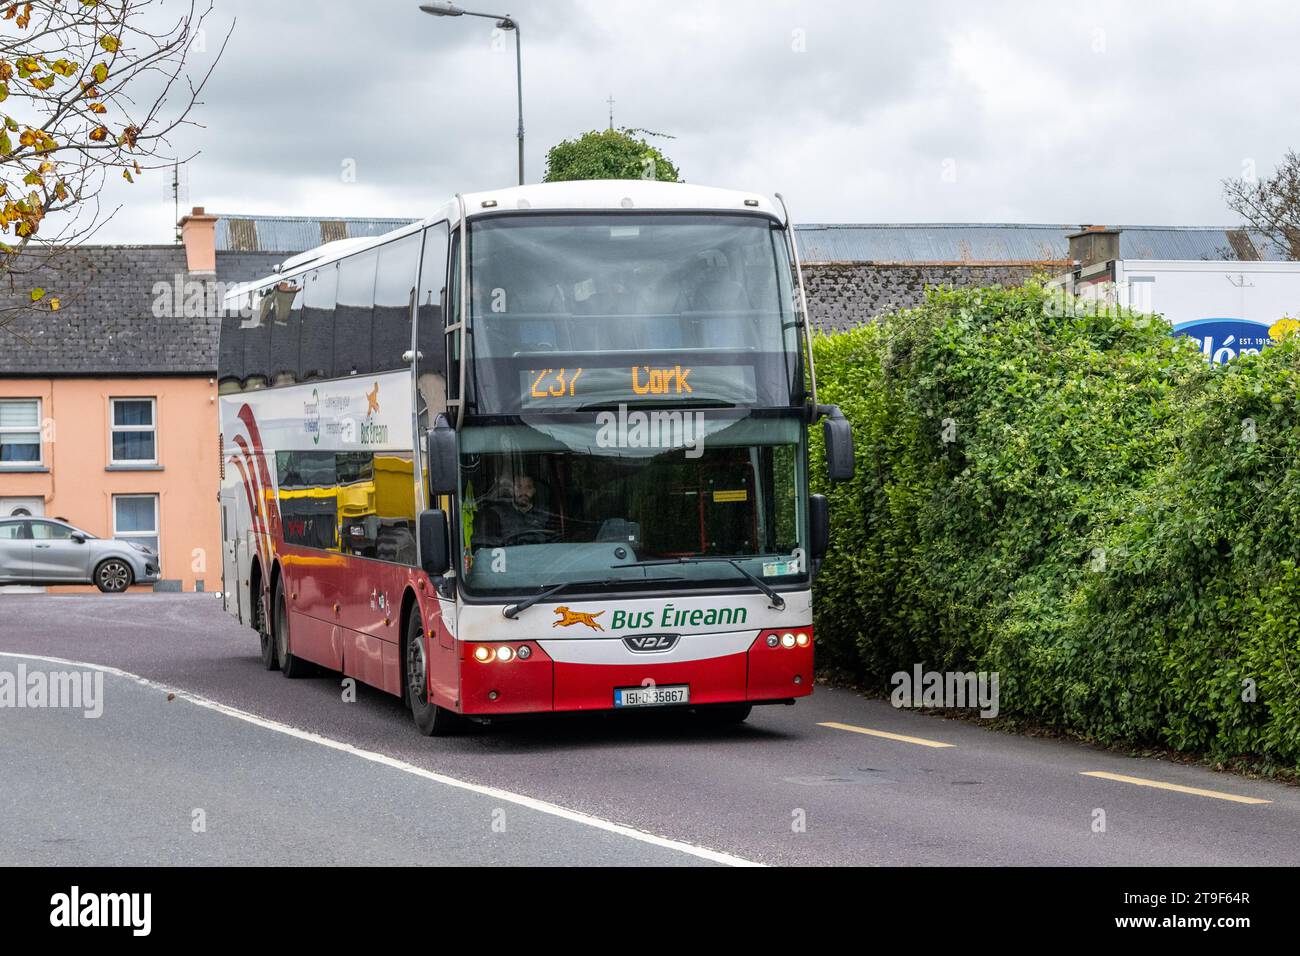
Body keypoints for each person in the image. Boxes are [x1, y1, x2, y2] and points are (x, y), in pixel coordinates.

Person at [485, 474, 553, 544]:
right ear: (511, 491)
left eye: (528, 487)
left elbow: (553, 541)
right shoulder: (498, 514)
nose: (524, 492)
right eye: (519, 487)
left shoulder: (546, 513)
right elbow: (492, 543)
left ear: (534, 491)